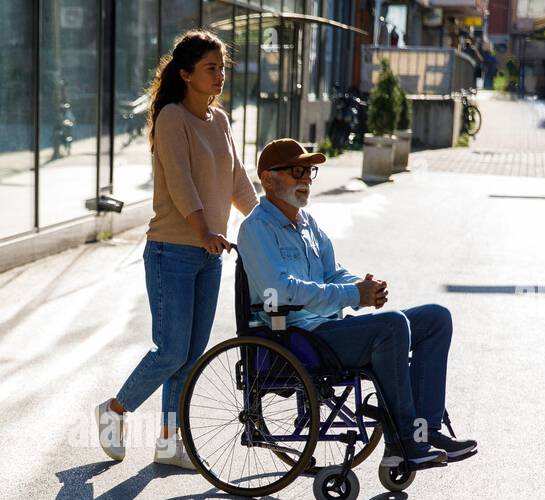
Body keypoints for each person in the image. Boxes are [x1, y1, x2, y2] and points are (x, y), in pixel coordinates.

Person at [235, 139, 477, 469]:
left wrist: (364, 288)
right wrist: (352, 295)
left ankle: (426, 430)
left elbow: (334, 273)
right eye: (296, 172)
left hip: (330, 329)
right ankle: (404, 442)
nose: (305, 179)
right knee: (392, 325)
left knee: (436, 318)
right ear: (267, 178)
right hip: (297, 337)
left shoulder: (307, 224)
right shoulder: (256, 229)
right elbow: (281, 291)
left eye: (309, 172)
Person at [95, 31, 258, 469]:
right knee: (170, 351)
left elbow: (237, 180)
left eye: (222, 67)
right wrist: (205, 231)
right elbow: (182, 184)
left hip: (209, 255)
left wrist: (266, 223)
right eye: (211, 68)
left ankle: (169, 443)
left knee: (191, 355)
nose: (220, 75)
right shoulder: (172, 118)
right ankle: (114, 410)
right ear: (185, 74)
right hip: (172, 252)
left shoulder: (219, 121)